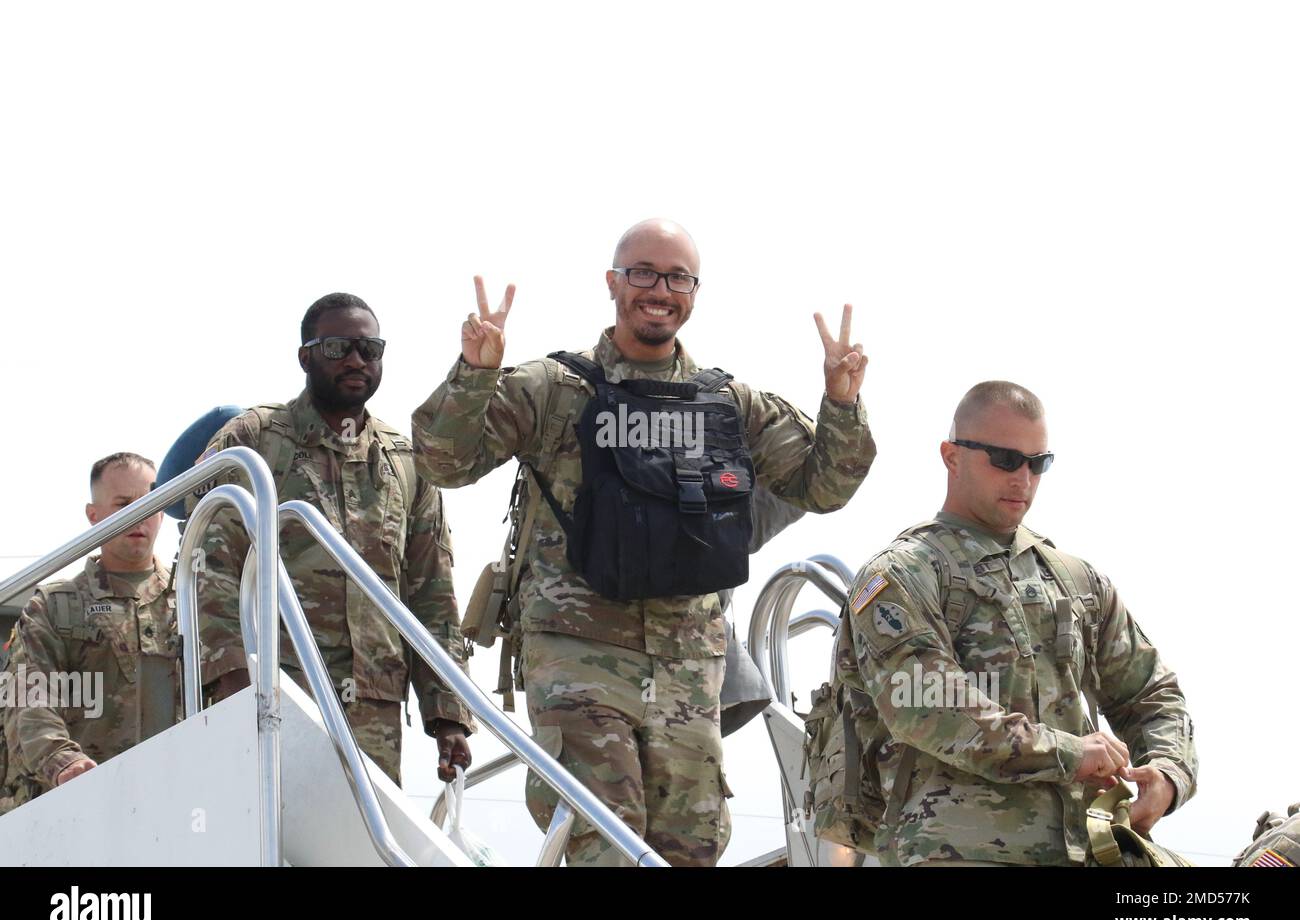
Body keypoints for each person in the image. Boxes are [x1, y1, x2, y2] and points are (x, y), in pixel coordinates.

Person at [413, 218, 877, 866]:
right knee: (607, 840)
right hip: (578, 654)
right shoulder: (553, 389)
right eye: (643, 274)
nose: (660, 290)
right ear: (613, 283)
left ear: (694, 292)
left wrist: (841, 402)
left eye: (677, 278)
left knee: (690, 847)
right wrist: (475, 372)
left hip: (686, 661)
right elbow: (444, 459)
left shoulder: (728, 403)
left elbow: (824, 485)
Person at [843, 380, 1197, 866]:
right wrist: (1071, 752)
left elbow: (1151, 692)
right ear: (951, 456)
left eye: (1037, 463)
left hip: (1087, 850)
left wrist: (1169, 773)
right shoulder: (901, 575)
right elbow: (925, 702)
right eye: (1005, 460)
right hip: (959, 852)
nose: (1023, 478)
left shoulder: (1075, 580)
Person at [191, 292, 472, 785]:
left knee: (365, 832)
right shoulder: (256, 439)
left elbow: (432, 594)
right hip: (276, 691)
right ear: (306, 357)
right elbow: (209, 567)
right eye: (339, 348)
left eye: (370, 349)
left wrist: (448, 713)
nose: (357, 360)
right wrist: (231, 678)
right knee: (273, 829)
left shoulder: (406, 462)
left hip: (374, 707)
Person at [2, 453, 178, 809]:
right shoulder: (55, 607)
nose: (138, 515)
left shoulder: (192, 598)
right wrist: (62, 762)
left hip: (176, 801)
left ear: (162, 512)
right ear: (93, 515)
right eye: (123, 504)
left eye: (149, 503)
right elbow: (27, 701)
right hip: (79, 807)